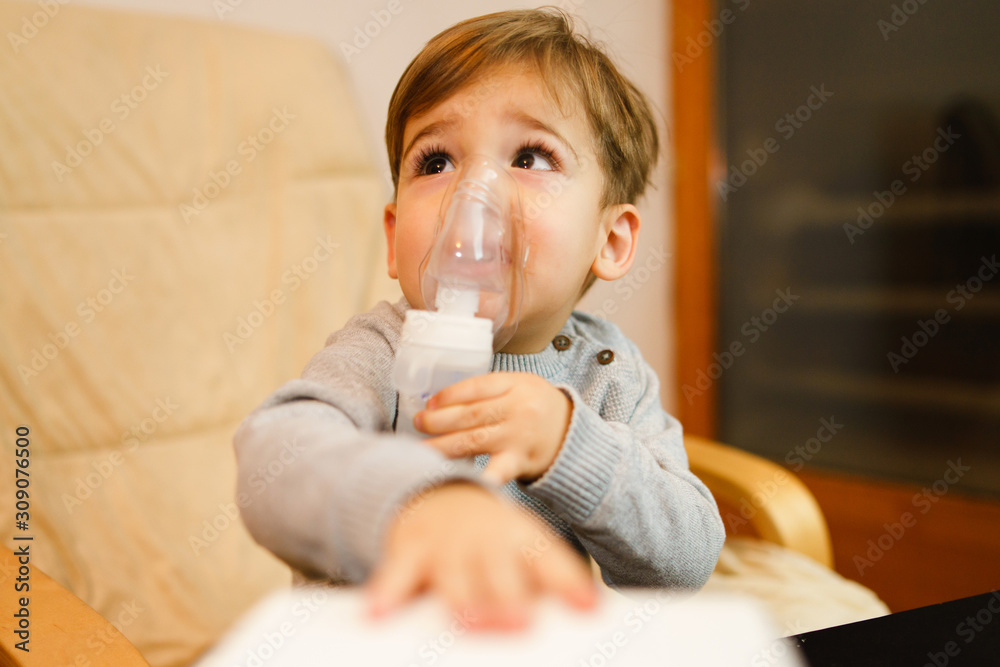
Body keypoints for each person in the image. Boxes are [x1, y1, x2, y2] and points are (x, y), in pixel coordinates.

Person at [233, 8, 724, 631]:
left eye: (530, 156)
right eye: (436, 162)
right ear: (393, 237)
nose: (475, 191)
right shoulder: (383, 349)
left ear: (611, 239)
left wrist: (570, 446)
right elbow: (274, 457)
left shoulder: (607, 377)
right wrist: (415, 502)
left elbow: (685, 562)